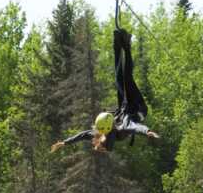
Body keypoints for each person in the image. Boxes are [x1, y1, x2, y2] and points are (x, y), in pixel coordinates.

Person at [50, 25, 159, 154]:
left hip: (125, 108)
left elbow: (83, 135)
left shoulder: (101, 129)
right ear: (110, 127)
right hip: (138, 109)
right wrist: (148, 131)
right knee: (127, 79)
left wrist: (65, 142)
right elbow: (136, 127)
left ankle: (118, 43)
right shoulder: (123, 128)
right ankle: (127, 45)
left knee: (118, 77)